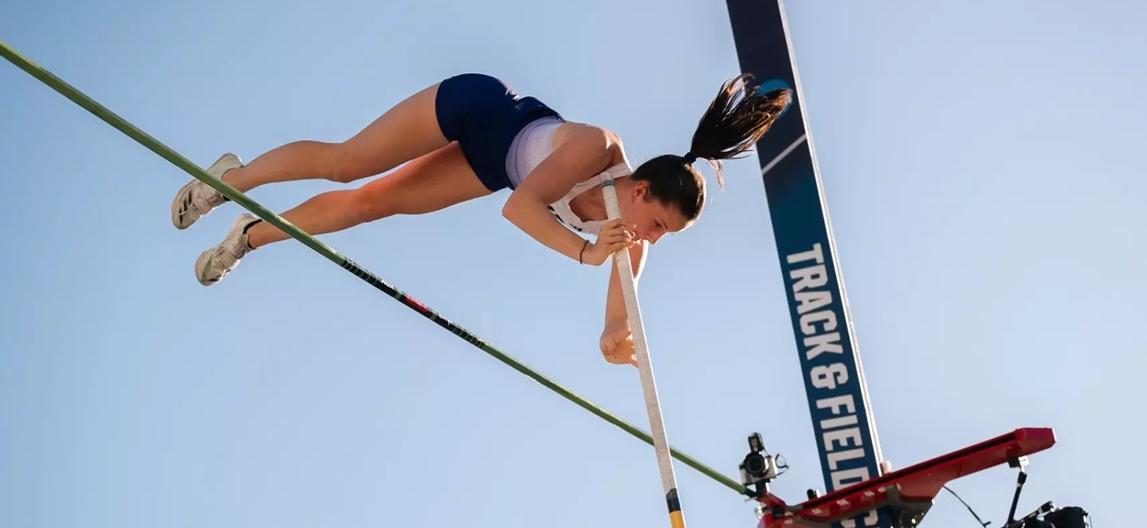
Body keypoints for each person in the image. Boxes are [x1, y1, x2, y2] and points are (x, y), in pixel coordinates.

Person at [171, 73, 790, 365]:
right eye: (658, 225)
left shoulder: (630, 242)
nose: (653, 239)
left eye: (664, 237)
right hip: (479, 107)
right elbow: (519, 208)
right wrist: (584, 252)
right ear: (642, 189)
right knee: (348, 164)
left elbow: (614, 323)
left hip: (491, 165)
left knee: (370, 204)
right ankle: (233, 180)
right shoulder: (596, 149)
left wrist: (612, 343)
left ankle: (249, 237)